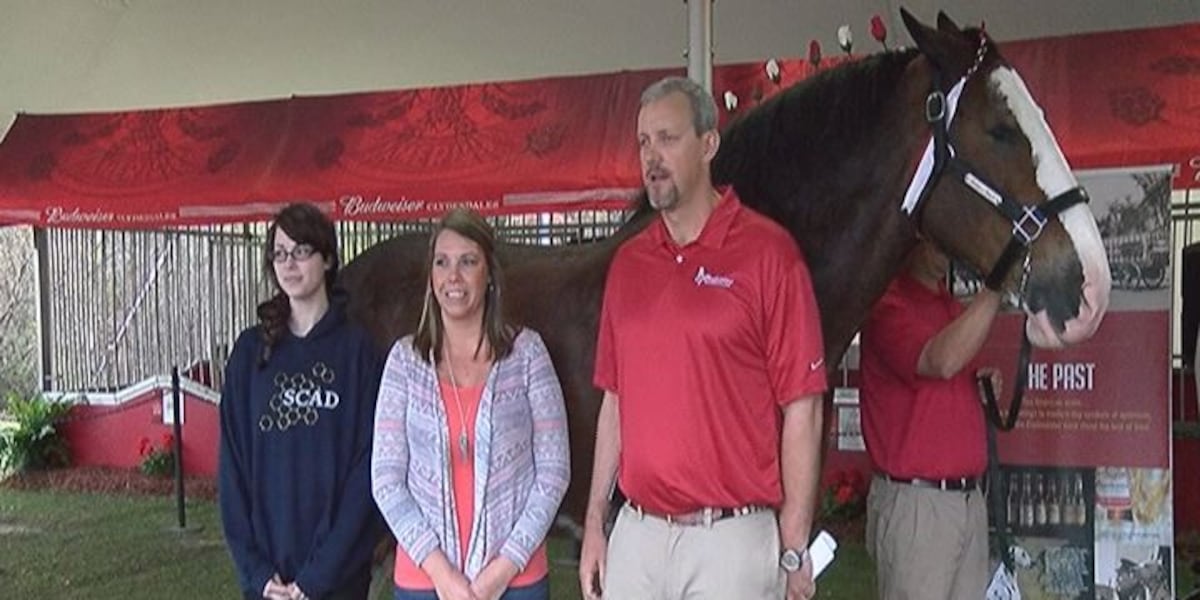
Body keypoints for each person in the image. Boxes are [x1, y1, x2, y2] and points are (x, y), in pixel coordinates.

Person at [578, 75, 828, 600]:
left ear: (709, 144)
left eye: (668, 138)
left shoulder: (769, 255)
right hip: (637, 537)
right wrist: (597, 523)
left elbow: (802, 408)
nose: (651, 157)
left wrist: (793, 543)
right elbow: (614, 402)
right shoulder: (629, 264)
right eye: (643, 142)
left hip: (730, 542)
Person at [371, 208, 570, 600]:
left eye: (468, 262)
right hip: (424, 581)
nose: (453, 276)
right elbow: (386, 480)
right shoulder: (404, 362)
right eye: (442, 262)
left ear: (489, 273)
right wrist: (442, 573)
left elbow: (554, 471)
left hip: (516, 579)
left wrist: (502, 569)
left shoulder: (527, 354)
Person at [219, 202, 385, 600]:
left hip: (339, 578)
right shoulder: (250, 353)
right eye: (279, 253)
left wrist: (319, 576)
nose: (289, 264)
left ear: (327, 259)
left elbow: (369, 468)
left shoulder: (359, 352)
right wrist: (256, 572)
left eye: (301, 251)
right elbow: (231, 469)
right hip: (269, 583)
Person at [859, 240, 1003, 600]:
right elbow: (941, 361)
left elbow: (951, 372)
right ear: (911, 240)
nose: (946, 249)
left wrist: (981, 386)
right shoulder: (887, 304)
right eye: (936, 240)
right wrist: (996, 287)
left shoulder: (951, 307)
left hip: (967, 499)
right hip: (918, 503)